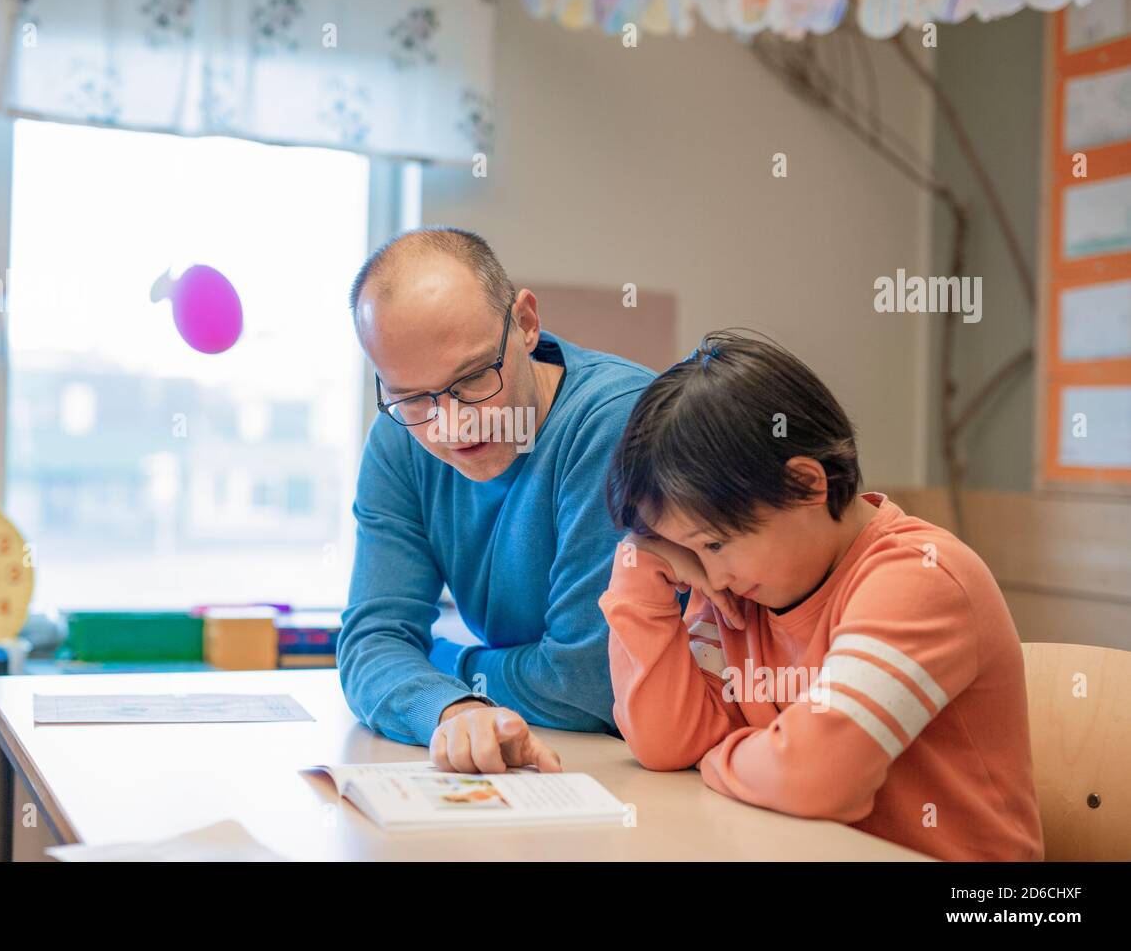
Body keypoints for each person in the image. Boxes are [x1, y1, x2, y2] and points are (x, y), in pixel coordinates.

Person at [599, 329, 1044, 860]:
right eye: (687, 550)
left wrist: (720, 755)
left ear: (807, 485)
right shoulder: (739, 587)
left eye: (716, 543)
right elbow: (667, 745)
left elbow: (814, 780)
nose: (709, 576)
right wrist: (638, 566)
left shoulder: (920, 577)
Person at [339, 226, 653, 773]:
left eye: (474, 377)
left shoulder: (616, 422)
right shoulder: (397, 437)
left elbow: (585, 684)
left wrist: (442, 661)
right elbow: (371, 641)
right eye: (413, 398)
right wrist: (451, 707)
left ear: (526, 323)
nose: (452, 424)